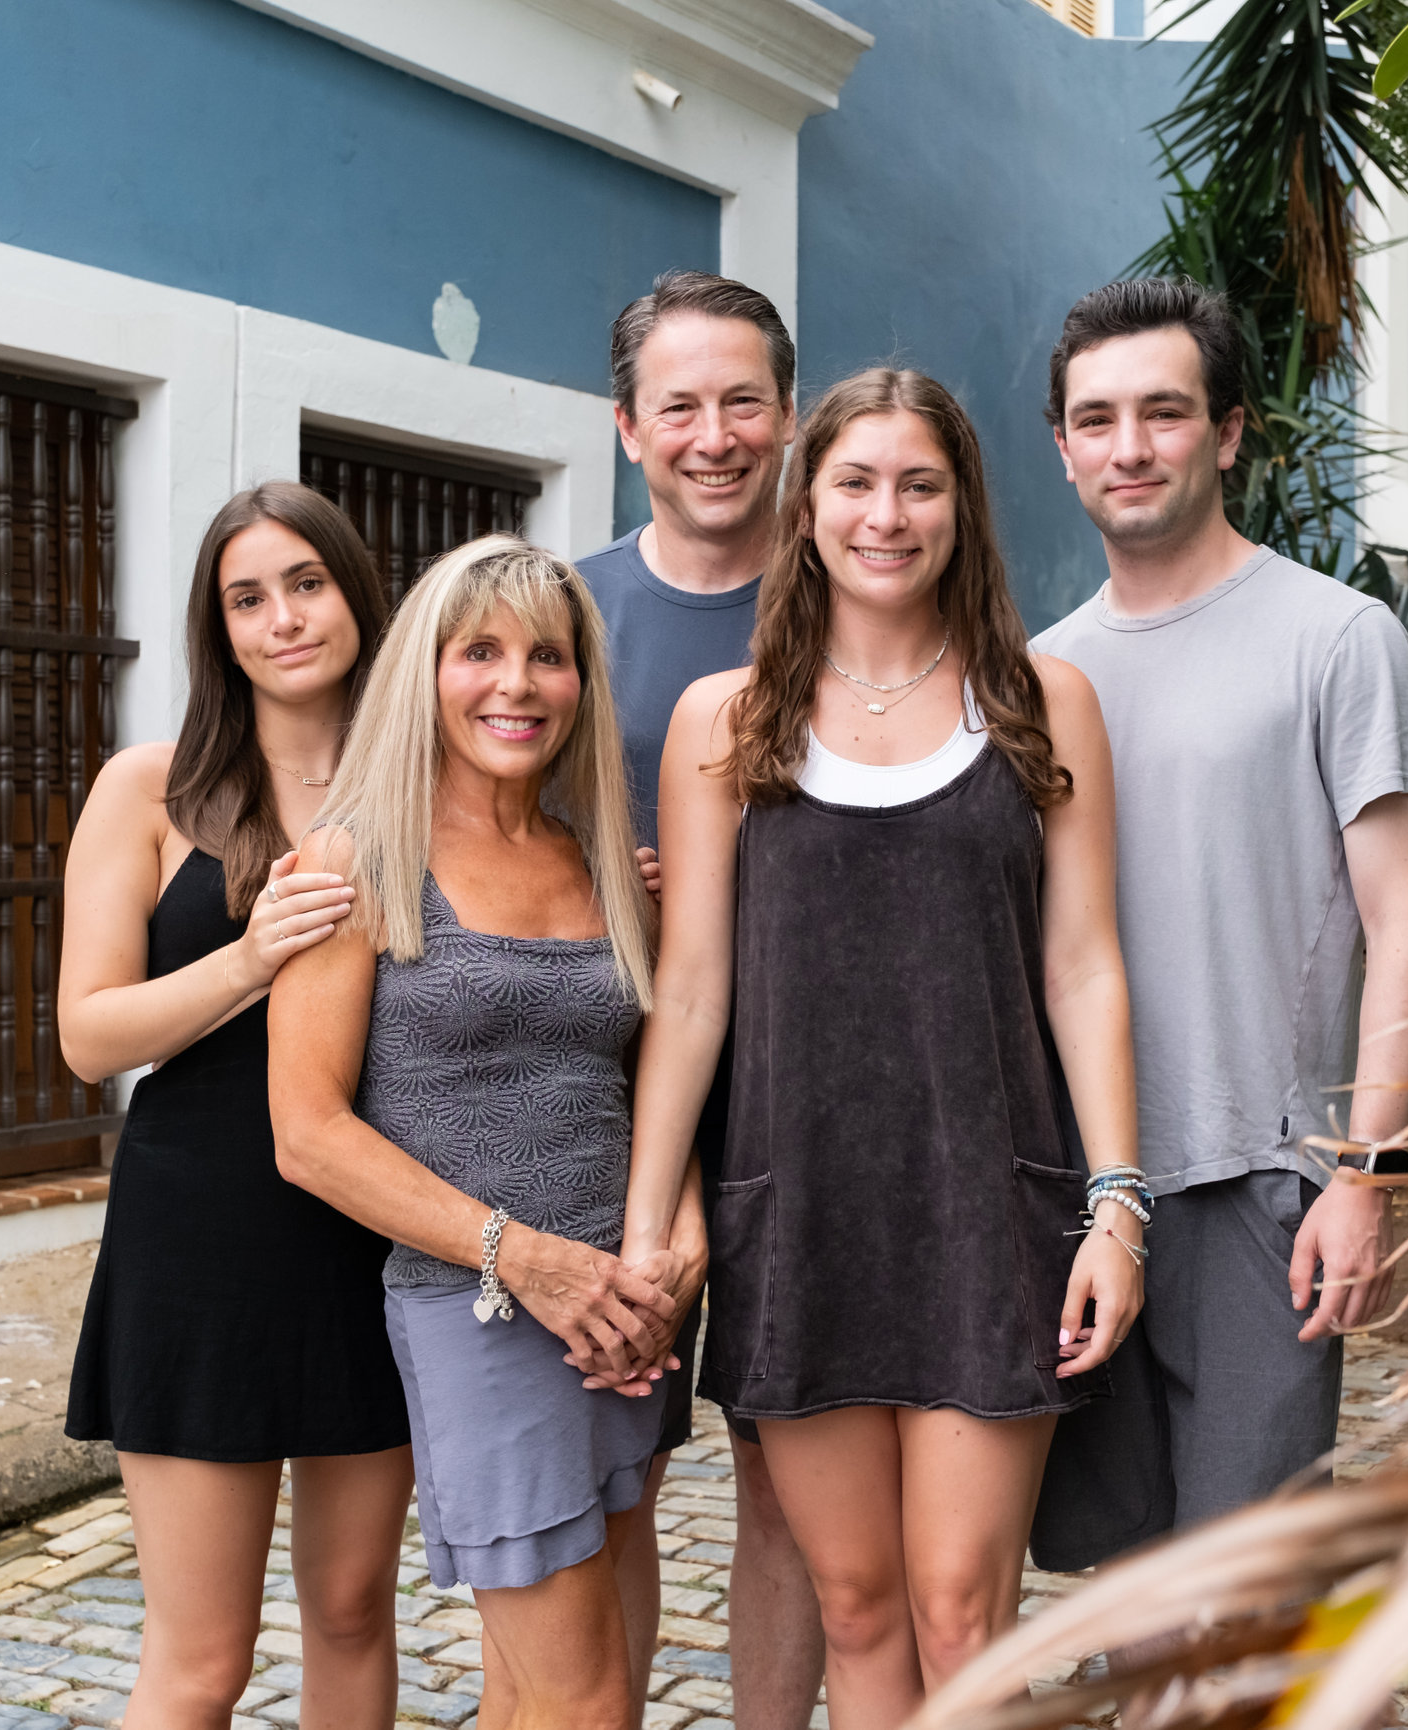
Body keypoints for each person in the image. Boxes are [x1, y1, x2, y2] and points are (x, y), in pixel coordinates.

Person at [619, 367, 1145, 1729]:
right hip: (800, 1219)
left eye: (919, 484)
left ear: (962, 508)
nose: (886, 515)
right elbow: (691, 994)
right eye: (855, 482)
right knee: (853, 1604)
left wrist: (1115, 1206)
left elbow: (1083, 967)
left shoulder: (1043, 701)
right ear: (807, 507)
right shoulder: (724, 719)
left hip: (989, 1213)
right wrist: (647, 1227)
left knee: (960, 1613)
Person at [1024, 278, 1408, 1570]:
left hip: (1257, 1182)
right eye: (1096, 419)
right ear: (1060, 446)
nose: (1129, 446)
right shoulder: (1037, 671)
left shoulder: (1338, 637)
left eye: (1163, 411)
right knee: (1121, 1577)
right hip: (1080, 1183)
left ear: (1228, 431)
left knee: (1241, 1588)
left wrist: (1363, 1175)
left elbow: (1406, 916)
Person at [269, 535, 680, 1730]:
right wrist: (528, 1258)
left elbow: (652, 1078)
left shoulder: (604, 861)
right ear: (426, 671)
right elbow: (307, 1130)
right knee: (585, 1700)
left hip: (621, 1308)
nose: (517, 682)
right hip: (484, 1307)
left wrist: (675, 1245)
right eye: (480, 651)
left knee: (556, 1686)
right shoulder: (357, 854)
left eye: (548, 656)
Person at [60, 482, 413, 1730]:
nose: (284, 619)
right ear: (219, 629)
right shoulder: (152, 789)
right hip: (199, 1240)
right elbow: (88, 1033)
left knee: (355, 1609)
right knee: (202, 1659)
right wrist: (249, 957)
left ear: (357, 594)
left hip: (372, 1229)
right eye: (247, 598)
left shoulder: (426, 790)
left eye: (307, 583)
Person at [577, 268, 827, 1730]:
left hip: (808, 1090)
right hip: (607, 1096)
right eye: (679, 406)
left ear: (788, 414)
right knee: (614, 1469)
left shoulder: (860, 588)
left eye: (743, 401)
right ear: (627, 427)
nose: (714, 435)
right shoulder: (569, 614)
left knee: (788, 1472)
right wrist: (600, 876)